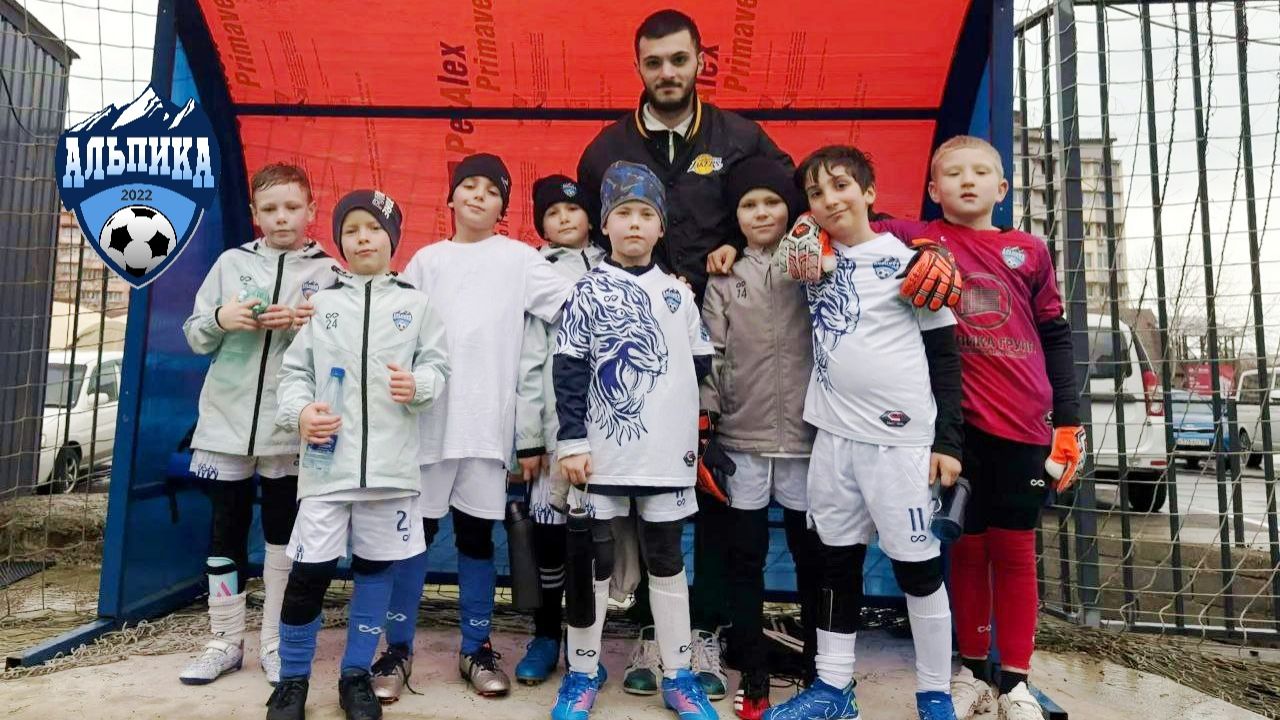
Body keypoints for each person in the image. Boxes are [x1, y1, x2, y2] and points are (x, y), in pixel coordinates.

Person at [872, 136, 1084, 720]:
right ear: (933, 189)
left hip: (1024, 427)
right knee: (964, 550)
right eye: (954, 173)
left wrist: (1068, 423)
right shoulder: (915, 236)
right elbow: (848, 220)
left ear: (1002, 187)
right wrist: (807, 233)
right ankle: (971, 672)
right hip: (955, 432)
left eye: (981, 172)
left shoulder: (1029, 251)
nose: (968, 181)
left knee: (1014, 552)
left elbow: (1056, 336)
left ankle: (1015, 682)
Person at [763, 146, 963, 720]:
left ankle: (934, 693)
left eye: (842, 186)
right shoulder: (808, 258)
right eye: (816, 193)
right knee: (835, 562)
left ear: (870, 192)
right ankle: (833, 689)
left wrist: (949, 443)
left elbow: (945, 357)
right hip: (833, 439)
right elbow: (768, 241)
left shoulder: (913, 262)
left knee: (918, 569)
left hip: (901, 445)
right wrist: (802, 229)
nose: (830, 200)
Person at [372, 153, 572, 701]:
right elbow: (392, 325)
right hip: (425, 427)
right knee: (412, 535)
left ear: (504, 207)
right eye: (469, 185)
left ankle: (476, 648)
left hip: (487, 431)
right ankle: (397, 650)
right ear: (451, 197)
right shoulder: (426, 262)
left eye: (492, 189)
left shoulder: (521, 260)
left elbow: (574, 306)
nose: (479, 195)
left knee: (477, 538)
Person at [264, 189, 449, 720]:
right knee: (309, 573)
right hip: (328, 470)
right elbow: (294, 375)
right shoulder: (322, 306)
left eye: (373, 228)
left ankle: (355, 675)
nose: (363, 238)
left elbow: (438, 368)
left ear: (393, 238)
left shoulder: (417, 305)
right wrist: (301, 413)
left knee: (375, 572)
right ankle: (292, 682)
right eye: (351, 230)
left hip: (390, 472)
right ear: (339, 241)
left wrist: (418, 385)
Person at [550, 160, 718, 720]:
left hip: (665, 458)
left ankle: (679, 675)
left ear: (661, 226)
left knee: (666, 560)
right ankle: (581, 673)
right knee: (592, 563)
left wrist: (666, 414)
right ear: (605, 224)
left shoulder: (678, 295)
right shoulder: (586, 291)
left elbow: (698, 363)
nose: (635, 224)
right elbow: (569, 370)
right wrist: (572, 442)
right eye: (623, 213)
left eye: (646, 214)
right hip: (600, 456)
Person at [180, 163, 336, 686]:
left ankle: (274, 640)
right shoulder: (231, 263)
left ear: (312, 209)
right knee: (224, 533)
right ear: (254, 214)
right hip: (225, 425)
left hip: (288, 429)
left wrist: (310, 326)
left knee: (281, 534)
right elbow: (195, 334)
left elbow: (342, 353)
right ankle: (224, 640)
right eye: (269, 209)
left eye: (292, 207)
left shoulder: (328, 273)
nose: (281, 217)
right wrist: (222, 319)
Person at [699, 157, 822, 720]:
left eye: (772, 202)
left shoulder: (814, 264)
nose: (762, 213)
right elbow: (712, 355)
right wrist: (709, 423)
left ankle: (821, 669)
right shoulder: (724, 276)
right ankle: (753, 673)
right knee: (744, 557)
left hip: (806, 439)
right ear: (736, 215)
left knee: (811, 556)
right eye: (749, 205)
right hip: (743, 439)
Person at [576, 9, 792, 301]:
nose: (667, 73)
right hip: (641, 311)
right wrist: (650, 275)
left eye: (679, 60)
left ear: (701, 62)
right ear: (638, 67)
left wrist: (737, 243)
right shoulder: (604, 153)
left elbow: (792, 196)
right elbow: (590, 236)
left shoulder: (742, 138)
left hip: (734, 307)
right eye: (653, 63)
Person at [511, 174, 609, 685]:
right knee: (549, 536)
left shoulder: (617, 263)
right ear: (541, 226)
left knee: (595, 540)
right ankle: (546, 634)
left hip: (611, 431)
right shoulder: (537, 271)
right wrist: (529, 438)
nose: (564, 217)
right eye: (552, 213)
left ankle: (584, 641)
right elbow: (529, 364)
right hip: (554, 434)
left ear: (592, 217)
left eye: (572, 209)